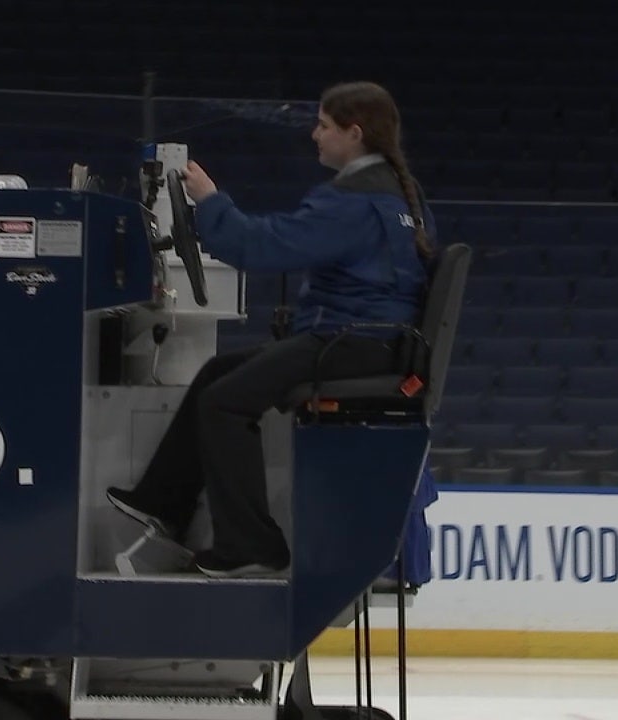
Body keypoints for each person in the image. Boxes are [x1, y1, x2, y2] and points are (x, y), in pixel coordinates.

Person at [107, 81, 437, 578]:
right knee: (218, 372)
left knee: (226, 402)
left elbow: (264, 247)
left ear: (354, 133)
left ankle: (251, 544)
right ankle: (165, 501)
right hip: (373, 340)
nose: (314, 135)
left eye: (324, 126)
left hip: (353, 342)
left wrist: (212, 202)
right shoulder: (396, 195)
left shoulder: (353, 201)